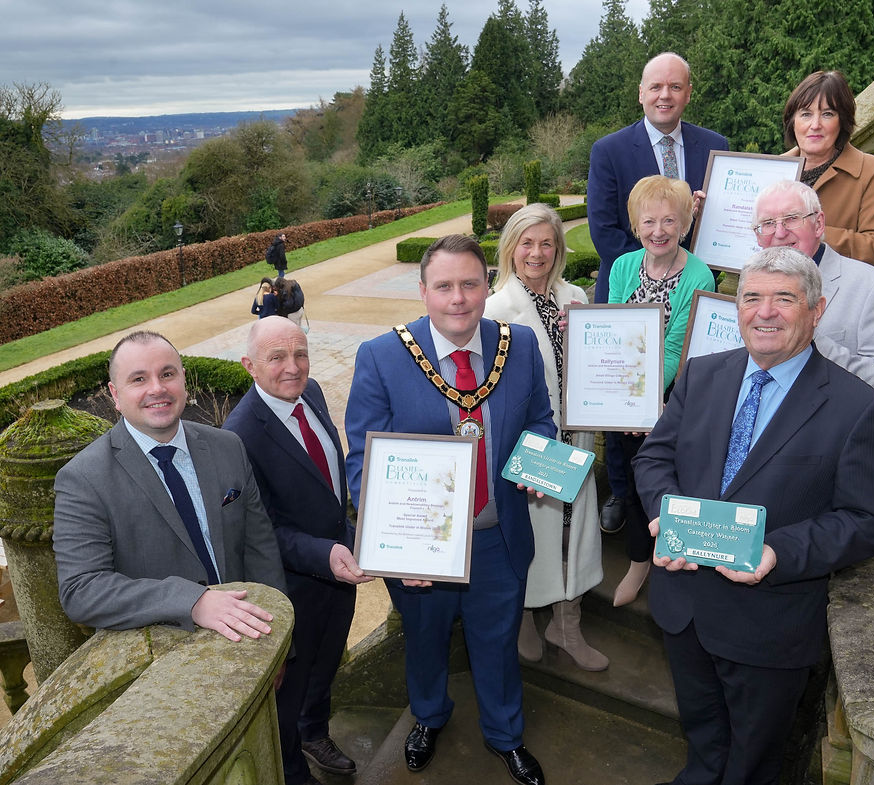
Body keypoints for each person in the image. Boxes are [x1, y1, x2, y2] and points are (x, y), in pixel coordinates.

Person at [633, 246, 874, 785]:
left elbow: (868, 519)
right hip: (684, 608)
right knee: (704, 740)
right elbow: (655, 456)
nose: (765, 312)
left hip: (768, 623)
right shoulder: (702, 375)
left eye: (784, 298)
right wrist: (664, 514)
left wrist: (778, 550)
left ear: (816, 311)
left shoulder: (857, 406)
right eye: (751, 297)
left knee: (754, 761)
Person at [345, 235, 555, 785]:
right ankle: (429, 717)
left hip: (497, 535)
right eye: (444, 286)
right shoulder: (382, 356)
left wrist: (537, 465)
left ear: (487, 285)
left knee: (498, 643)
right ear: (423, 291)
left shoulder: (521, 345)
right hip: (423, 545)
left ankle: (506, 736)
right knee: (425, 641)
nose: (458, 298)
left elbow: (540, 419)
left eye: (469, 283)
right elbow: (363, 457)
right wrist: (394, 540)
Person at [53, 330, 287, 644]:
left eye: (167, 374)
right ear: (115, 394)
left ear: (184, 379)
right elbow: (82, 591)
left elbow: (261, 551)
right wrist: (192, 600)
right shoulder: (82, 479)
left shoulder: (228, 446)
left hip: (249, 643)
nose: (157, 388)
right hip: (164, 663)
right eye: (138, 379)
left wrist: (279, 639)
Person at [223, 316, 370, 785]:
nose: (293, 367)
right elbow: (258, 528)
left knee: (325, 667)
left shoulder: (314, 393)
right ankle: (291, 768)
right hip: (291, 590)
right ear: (249, 365)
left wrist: (353, 532)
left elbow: (329, 485)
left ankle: (315, 733)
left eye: (300, 353)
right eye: (277, 357)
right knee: (288, 692)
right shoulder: (239, 436)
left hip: (339, 574)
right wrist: (324, 553)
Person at [587, 51, 728, 535]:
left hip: (688, 301)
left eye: (675, 86)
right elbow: (605, 231)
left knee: (679, 413)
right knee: (619, 408)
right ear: (641, 93)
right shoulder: (609, 149)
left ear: (688, 92)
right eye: (655, 87)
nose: (664, 95)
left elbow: (723, 232)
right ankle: (623, 496)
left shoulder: (716, 147)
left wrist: (691, 235)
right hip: (629, 296)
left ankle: (670, 501)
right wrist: (655, 254)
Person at [483, 204, 606, 671]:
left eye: (546, 243)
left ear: (559, 248)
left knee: (574, 528)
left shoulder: (575, 296)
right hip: (530, 442)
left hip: (576, 434)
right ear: (511, 248)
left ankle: (567, 626)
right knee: (533, 530)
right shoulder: (495, 310)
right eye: (526, 243)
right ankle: (524, 619)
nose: (536, 253)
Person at [606, 175, 716, 607]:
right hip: (621, 396)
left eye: (670, 220)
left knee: (662, 481)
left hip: (670, 402)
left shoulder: (699, 274)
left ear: (686, 223)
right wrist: (627, 402)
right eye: (648, 221)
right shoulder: (621, 267)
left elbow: (678, 347)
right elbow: (613, 331)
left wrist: (648, 402)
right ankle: (638, 560)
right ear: (636, 225)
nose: (659, 230)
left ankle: (667, 556)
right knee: (628, 482)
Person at [752, 180, 874, 408]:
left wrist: (811, 340)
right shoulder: (751, 286)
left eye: (791, 219)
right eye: (768, 223)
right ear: (758, 235)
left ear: (818, 224)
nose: (779, 233)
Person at [782, 70, 874, 271]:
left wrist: (813, 232)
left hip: (836, 293)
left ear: (842, 121)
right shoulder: (772, 170)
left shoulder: (873, 172)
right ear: (793, 121)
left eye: (828, 114)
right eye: (806, 114)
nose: (815, 125)